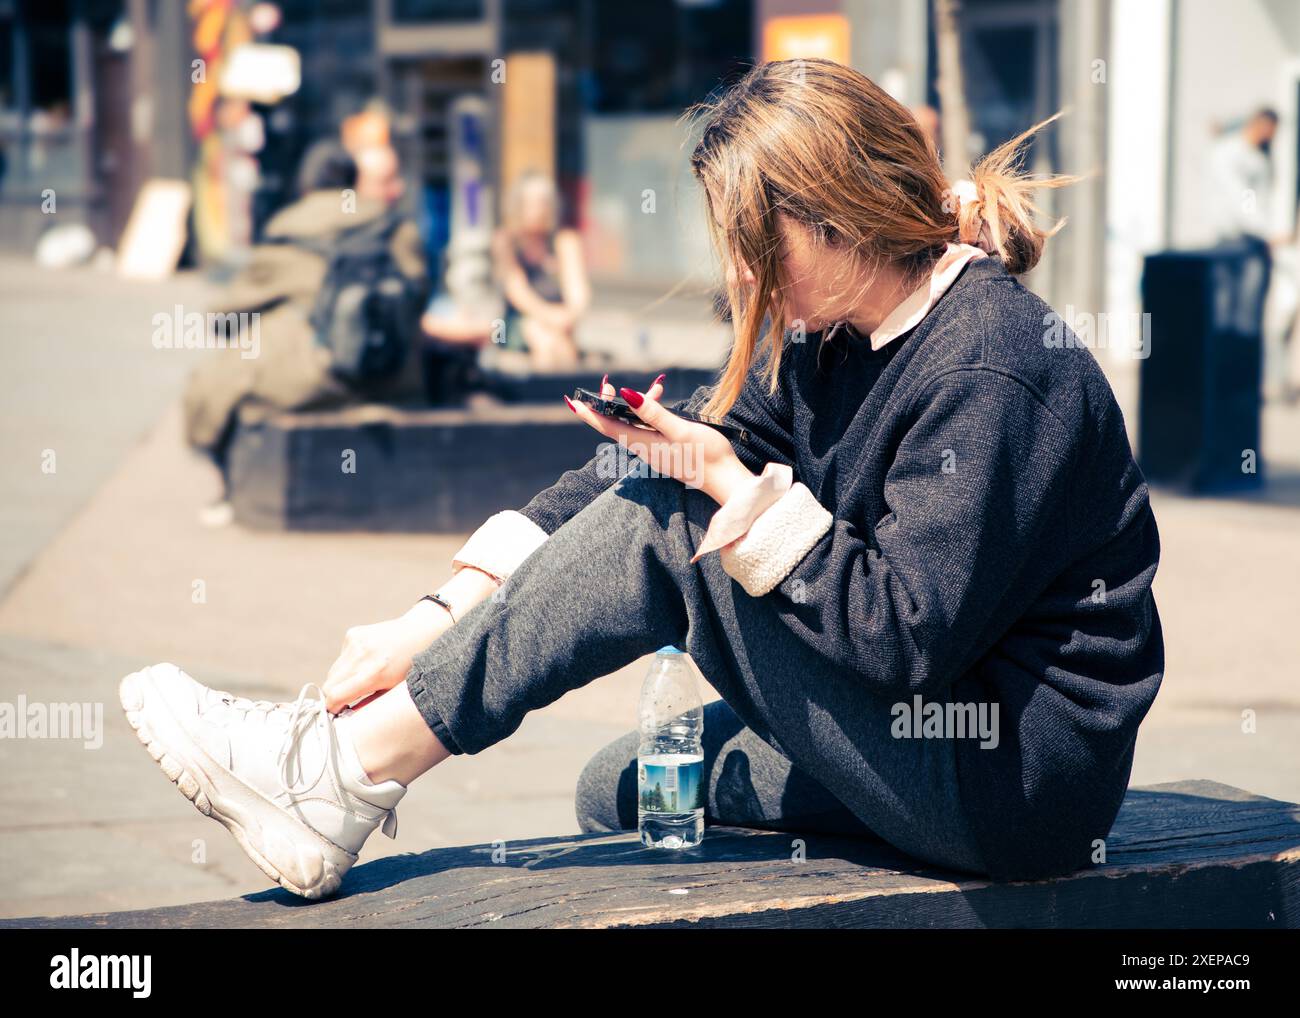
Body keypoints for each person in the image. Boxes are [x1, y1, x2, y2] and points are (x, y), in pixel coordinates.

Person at [121, 61, 1163, 899]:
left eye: (756, 243)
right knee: (621, 784)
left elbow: (904, 632)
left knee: (676, 527)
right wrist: (434, 617)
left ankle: (341, 776)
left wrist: (733, 492)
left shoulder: (989, 364)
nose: (740, 276)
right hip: (918, 722)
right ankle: (357, 754)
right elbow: (649, 463)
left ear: (836, 215)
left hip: (1010, 780)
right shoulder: (836, 331)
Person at [182, 139, 426, 525]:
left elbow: (227, 311)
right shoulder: (394, 226)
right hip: (396, 375)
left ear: (306, 186)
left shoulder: (288, 228)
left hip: (320, 379)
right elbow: (418, 298)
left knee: (219, 379)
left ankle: (228, 493)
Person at [421, 171, 590, 372]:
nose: (539, 210)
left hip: (561, 326)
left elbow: (578, 292)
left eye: (543, 203)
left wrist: (566, 318)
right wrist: (552, 318)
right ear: (518, 206)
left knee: (558, 343)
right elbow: (518, 292)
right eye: (532, 203)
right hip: (517, 325)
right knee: (542, 337)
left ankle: (560, 396)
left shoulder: (565, 241)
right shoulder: (506, 241)